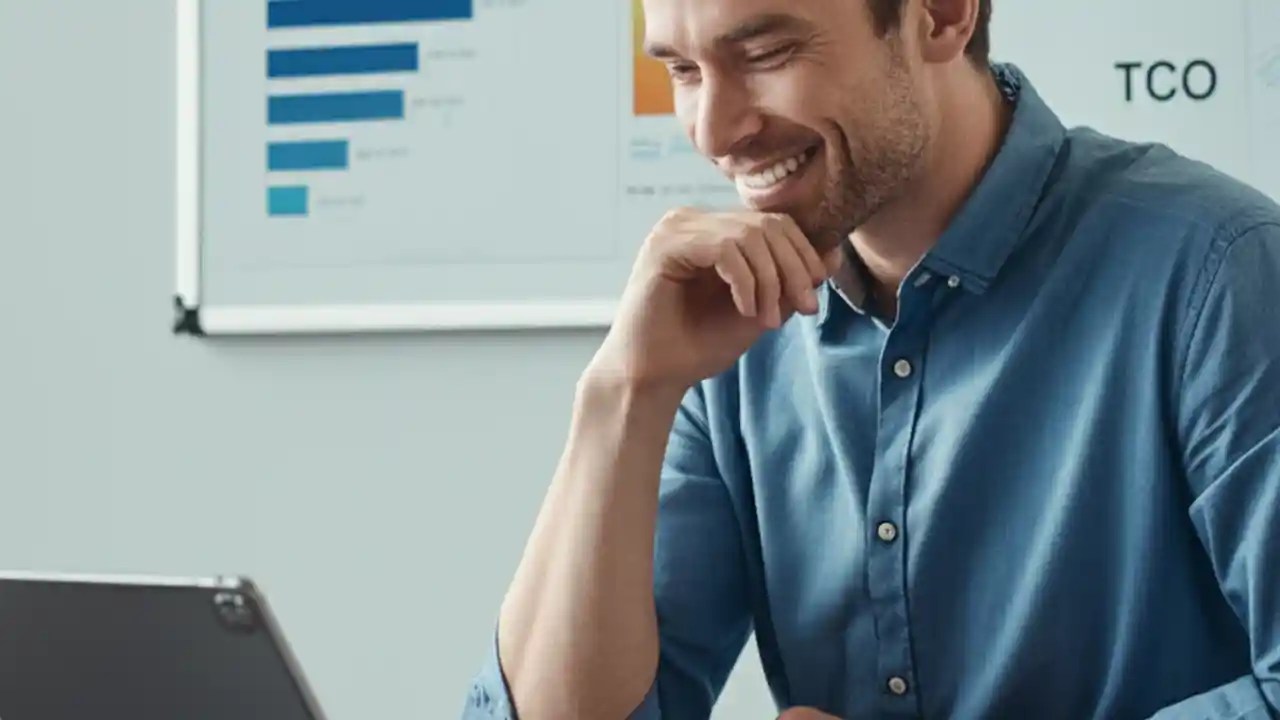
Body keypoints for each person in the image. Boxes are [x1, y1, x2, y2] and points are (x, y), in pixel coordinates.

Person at [462, 0, 1280, 717]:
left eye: (766, 53)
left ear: (942, 15)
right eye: (682, 69)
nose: (712, 131)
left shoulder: (1218, 272)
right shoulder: (728, 327)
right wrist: (622, 391)